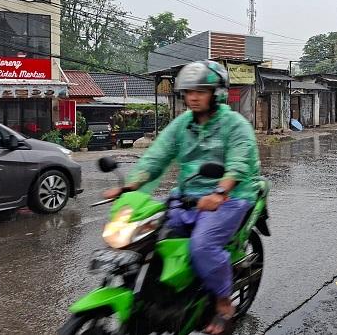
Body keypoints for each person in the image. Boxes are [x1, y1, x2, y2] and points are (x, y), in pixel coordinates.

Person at [102, 60, 260, 335]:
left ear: (216, 93)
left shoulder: (235, 125)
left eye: (200, 90)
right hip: (188, 197)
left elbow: (239, 163)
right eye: (188, 92)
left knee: (202, 246)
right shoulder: (181, 125)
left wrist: (220, 192)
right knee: (147, 239)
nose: (193, 97)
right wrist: (129, 186)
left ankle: (223, 304)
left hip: (231, 196)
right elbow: (155, 158)